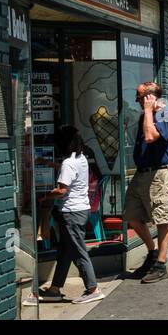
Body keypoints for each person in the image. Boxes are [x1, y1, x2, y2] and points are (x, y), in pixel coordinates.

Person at [38, 126, 104, 304]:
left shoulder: (69, 163)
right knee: (65, 252)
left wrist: (44, 197)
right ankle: (55, 289)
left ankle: (93, 288)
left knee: (78, 252)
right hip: (81, 209)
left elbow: (62, 190)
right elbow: (67, 170)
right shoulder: (80, 158)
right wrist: (49, 164)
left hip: (71, 212)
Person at [124, 81, 168, 284]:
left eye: (140, 98)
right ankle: (152, 252)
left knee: (162, 217)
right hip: (142, 172)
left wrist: (148, 111)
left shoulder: (166, 114)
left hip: (160, 173)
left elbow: (150, 136)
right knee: (131, 215)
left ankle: (161, 263)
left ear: (150, 97)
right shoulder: (144, 116)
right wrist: (146, 112)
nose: (137, 101)